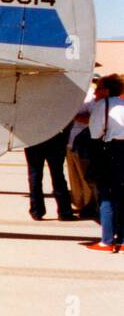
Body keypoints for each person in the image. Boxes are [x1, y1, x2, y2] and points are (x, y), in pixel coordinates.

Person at [85, 74, 124, 251]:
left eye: (98, 89)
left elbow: (94, 133)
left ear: (107, 90)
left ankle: (107, 240)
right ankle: (122, 240)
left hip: (111, 151)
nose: (95, 93)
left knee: (106, 195)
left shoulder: (103, 105)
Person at [66, 75, 101, 219]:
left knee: (85, 176)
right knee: (76, 176)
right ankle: (81, 203)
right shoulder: (82, 94)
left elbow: (90, 119)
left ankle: (88, 205)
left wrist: (71, 115)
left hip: (83, 142)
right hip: (73, 141)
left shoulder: (90, 97)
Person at [23, 130, 73, 221]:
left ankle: (36, 210)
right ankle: (64, 211)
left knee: (34, 176)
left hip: (32, 138)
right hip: (55, 138)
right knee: (58, 175)